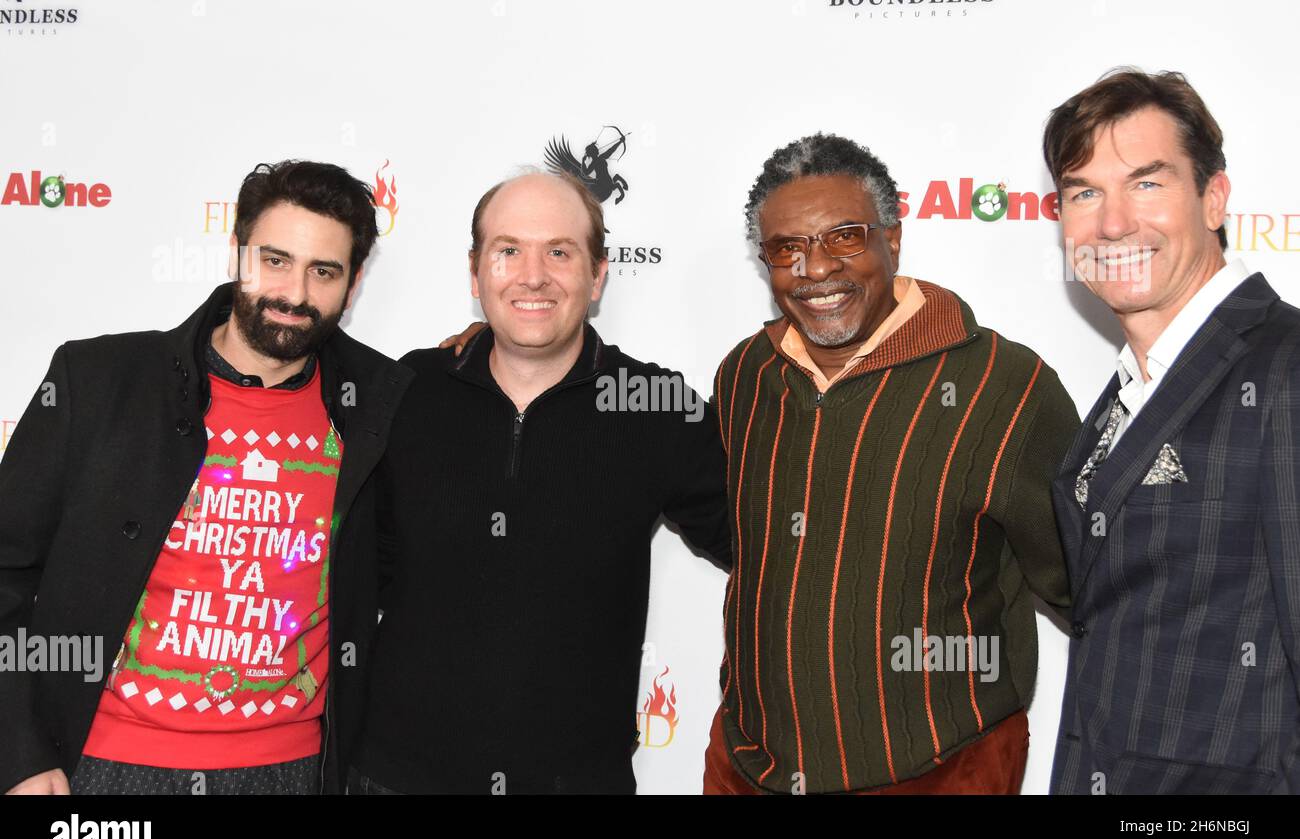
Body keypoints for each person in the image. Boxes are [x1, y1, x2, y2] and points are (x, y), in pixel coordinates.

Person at [0, 160, 412, 795]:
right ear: (236, 254)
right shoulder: (101, 379)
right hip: (98, 768)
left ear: (353, 285)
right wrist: (19, 753)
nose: (294, 293)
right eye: (274, 261)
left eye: (323, 271)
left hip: (292, 772)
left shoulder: (381, 403)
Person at [705, 133, 1078, 794]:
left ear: (893, 238)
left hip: (939, 769)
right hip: (748, 765)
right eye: (787, 248)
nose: (816, 270)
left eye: (845, 237)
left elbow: (1088, 583)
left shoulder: (1005, 386)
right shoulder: (744, 374)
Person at [347, 170, 730, 794]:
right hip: (394, 778)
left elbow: (768, 546)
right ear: (476, 274)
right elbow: (354, 564)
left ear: (598, 273)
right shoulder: (408, 391)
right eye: (508, 251)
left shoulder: (656, 406)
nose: (532, 275)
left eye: (559, 251)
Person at [1044, 68, 1300, 794]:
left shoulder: (1285, 370)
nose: (1113, 222)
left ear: (1213, 198)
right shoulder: (1133, 384)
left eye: (1147, 183)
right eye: (1084, 192)